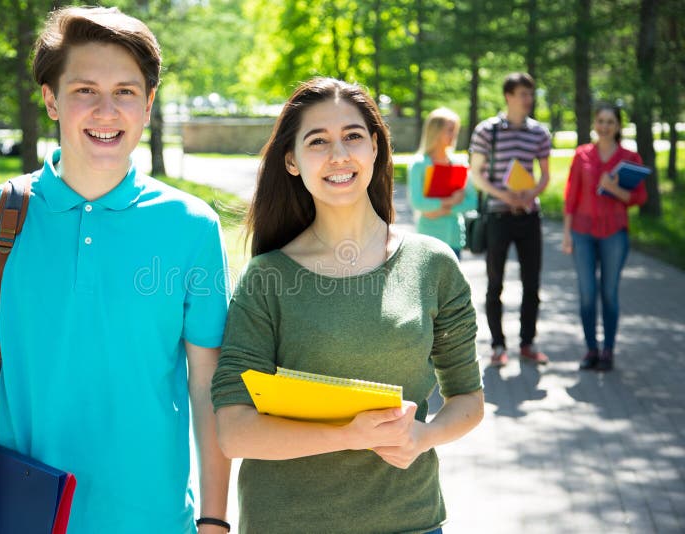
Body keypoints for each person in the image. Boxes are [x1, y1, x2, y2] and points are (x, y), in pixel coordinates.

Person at [0, 7, 231, 533]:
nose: (106, 111)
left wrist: (213, 520)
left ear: (148, 104)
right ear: (51, 99)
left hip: (156, 520)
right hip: (20, 518)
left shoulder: (193, 227)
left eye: (125, 92)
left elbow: (207, 385)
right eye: (85, 90)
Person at [211, 77, 484, 534]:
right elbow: (234, 431)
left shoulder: (432, 264)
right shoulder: (266, 278)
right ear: (293, 162)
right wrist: (348, 435)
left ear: (376, 148)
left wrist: (425, 436)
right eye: (318, 141)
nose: (339, 155)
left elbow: (468, 399)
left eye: (353, 137)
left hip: (409, 521)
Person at [468, 72, 552, 368]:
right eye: (523, 94)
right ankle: (498, 345)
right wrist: (504, 195)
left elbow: (545, 176)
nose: (528, 100)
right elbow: (475, 173)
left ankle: (527, 343)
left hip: (529, 217)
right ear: (508, 96)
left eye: (531, 94)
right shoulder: (486, 131)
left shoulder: (539, 133)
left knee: (532, 283)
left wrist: (531, 194)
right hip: (498, 217)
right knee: (495, 283)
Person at [562, 103, 647, 372]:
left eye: (610, 121)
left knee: (609, 293)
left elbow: (639, 198)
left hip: (614, 232)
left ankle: (608, 351)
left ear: (618, 126)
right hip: (582, 232)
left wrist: (614, 189)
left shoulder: (630, 158)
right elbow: (570, 196)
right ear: (595, 123)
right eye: (600, 120)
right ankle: (591, 350)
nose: (605, 126)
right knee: (587, 293)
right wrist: (566, 234)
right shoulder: (582, 155)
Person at [408, 107, 477, 258]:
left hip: (455, 240)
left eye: (456, 130)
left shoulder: (460, 163)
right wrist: (451, 201)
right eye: (450, 130)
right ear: (436, 131)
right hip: (427, 240)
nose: (455, 134)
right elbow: (417, 202)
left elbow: (473, 201)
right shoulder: (419, 164)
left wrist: (441, 210)